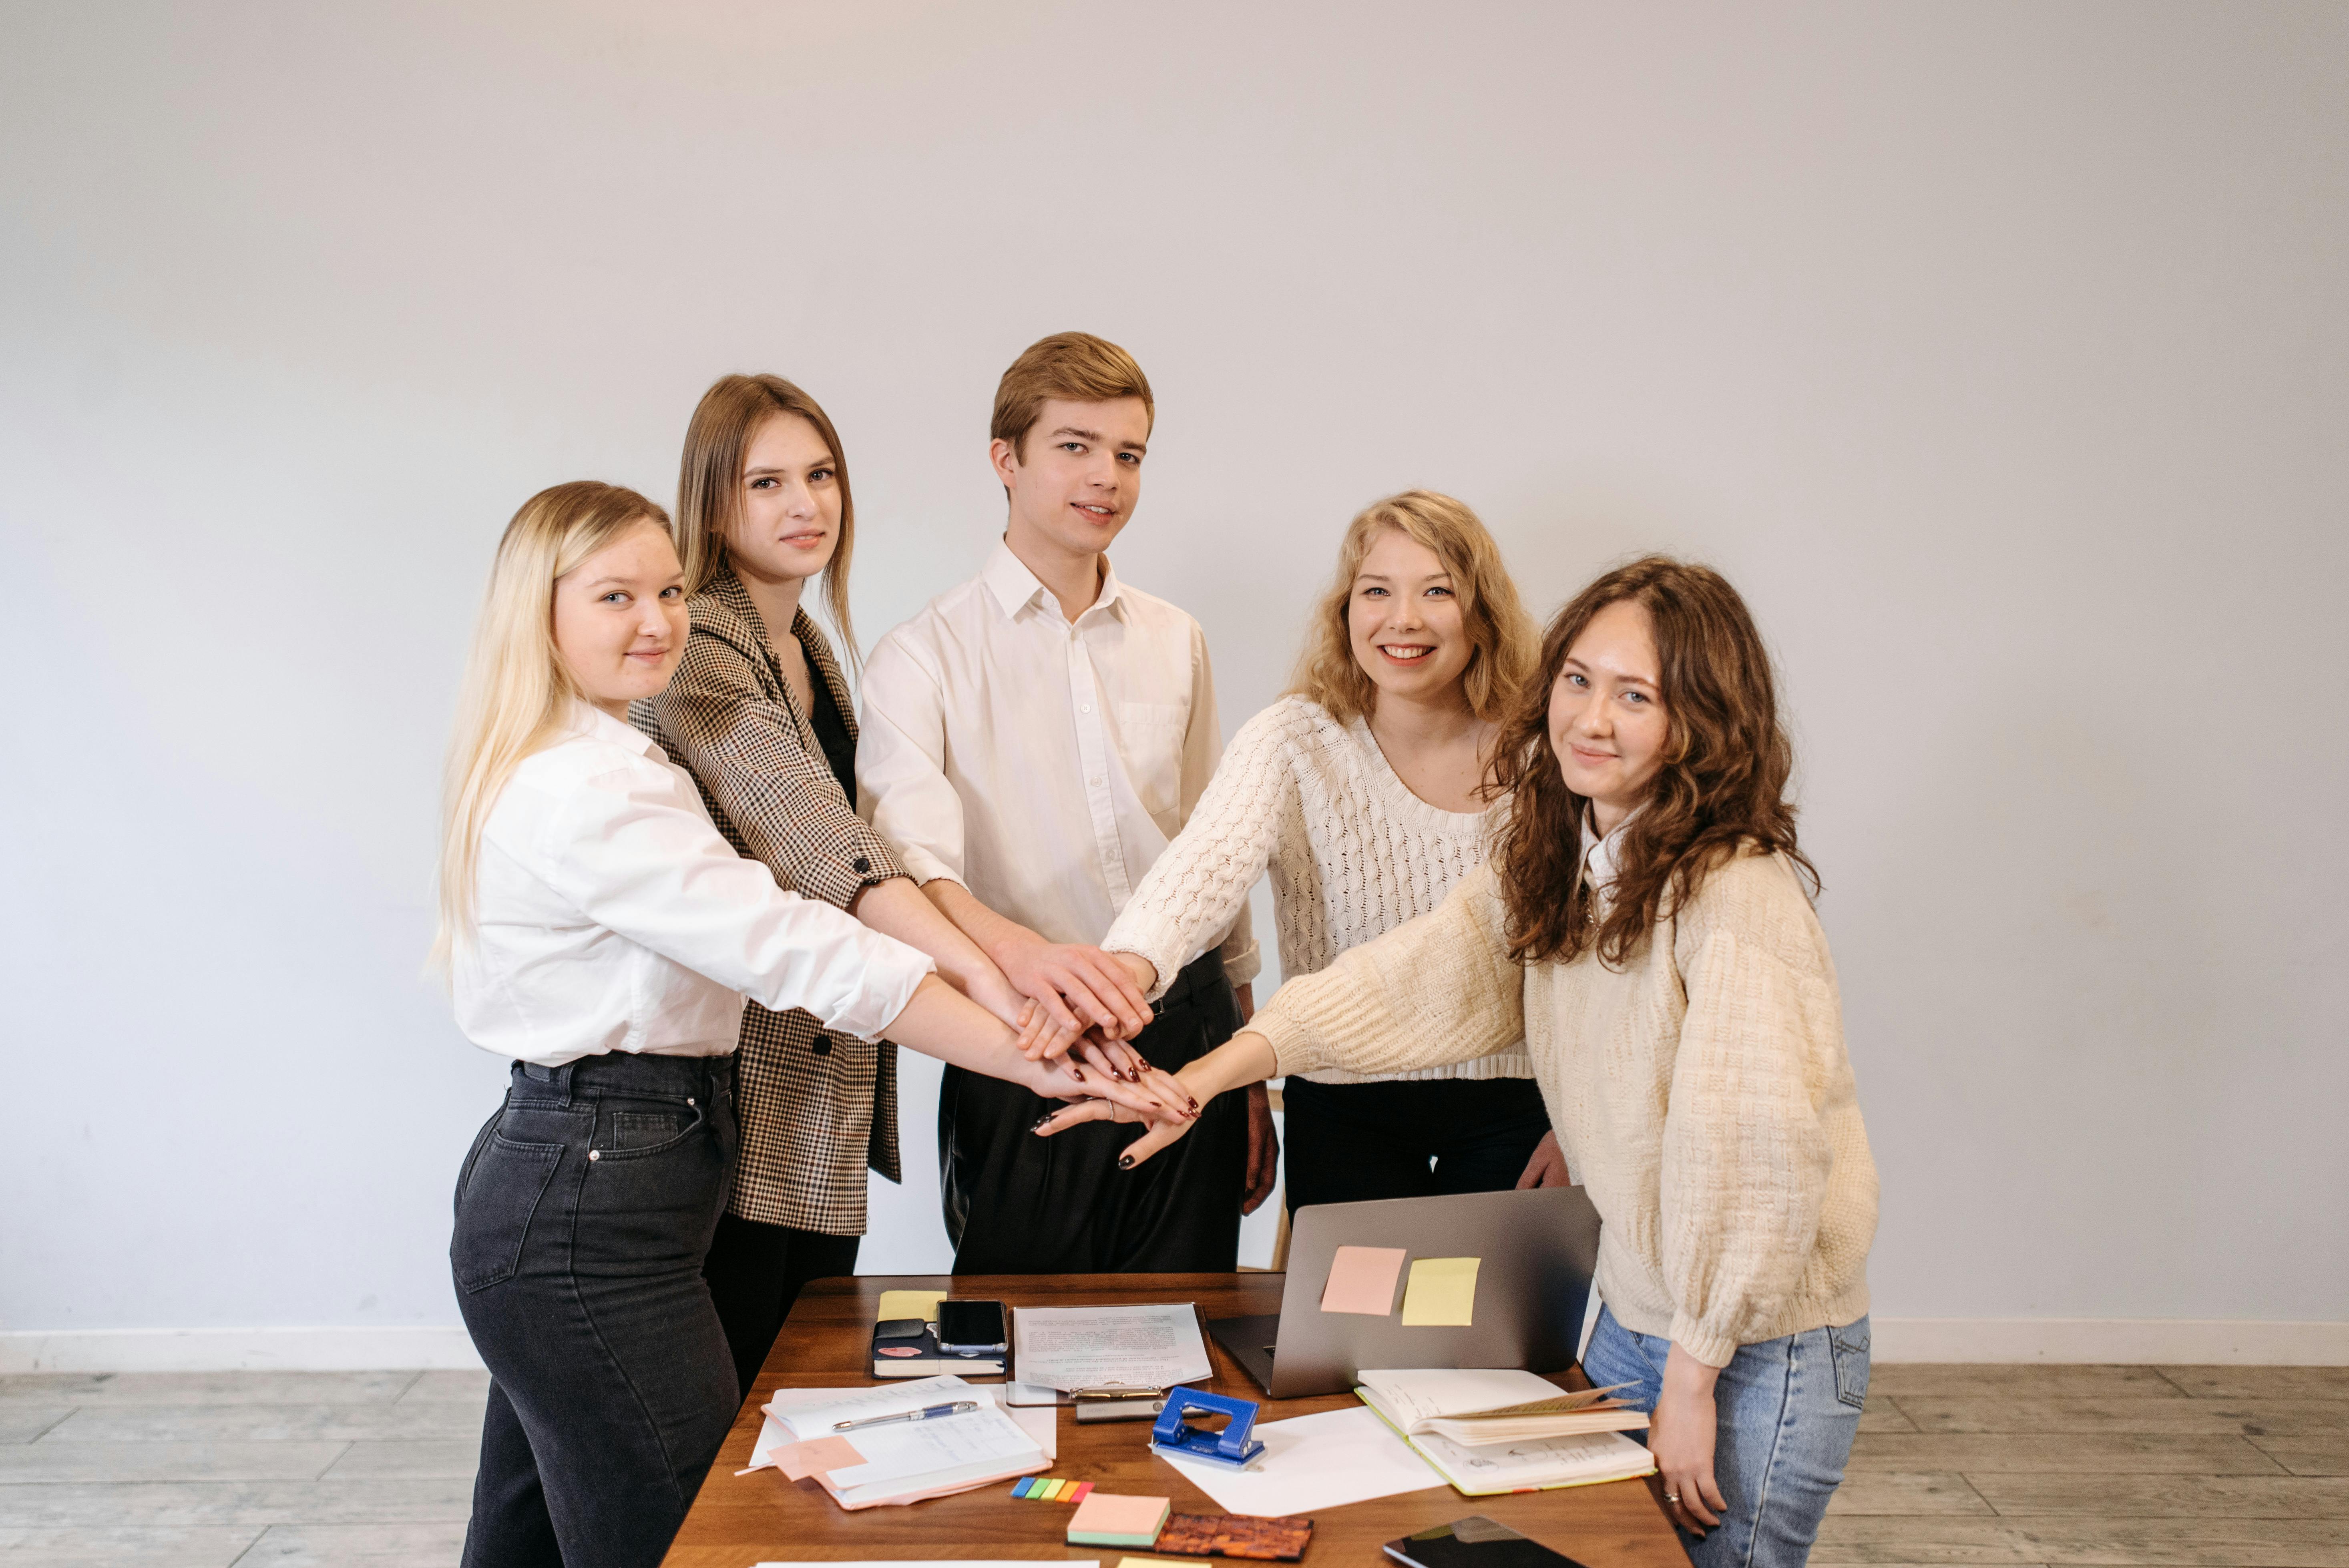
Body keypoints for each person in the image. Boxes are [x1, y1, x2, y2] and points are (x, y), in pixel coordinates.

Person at [1046, 556, 1879, 1568]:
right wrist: (1208, 1079)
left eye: (1635, 696)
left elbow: (1757, 1164)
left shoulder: (1735, 895)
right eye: (1577, 680)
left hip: (1758, 1346)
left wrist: (1695, 1380)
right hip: (1641, 1315)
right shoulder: (1569, 864)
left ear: (1701, 721)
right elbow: (1406, 981)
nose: (1591, 719)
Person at [438, 481, 1183, 1568]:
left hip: (579, 1176)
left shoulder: (604, 755)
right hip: (590, 1201)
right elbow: (795, 945)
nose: (656, 621)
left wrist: (1010, 1013)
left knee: (528, 1539)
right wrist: (1030, 1046)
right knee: (693, 1538)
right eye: (614, 596)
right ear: (537, 611)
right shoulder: (587, 786)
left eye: (668, 590)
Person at [635, 374, 1089, 1398]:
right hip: (740, 1091)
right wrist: (994, 988)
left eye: (822, 474)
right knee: (739, 1389)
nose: (806, 505)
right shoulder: (699, 651)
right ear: (713, 502)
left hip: (819, 1073)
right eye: (767, 483)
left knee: (788, 1377)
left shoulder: (808, 648)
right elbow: (826, 848)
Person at [856, 330, 1277, 1274]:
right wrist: (1032, 981)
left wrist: (1245, 1067)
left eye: (1128, 454)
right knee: (1019, 1347)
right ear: (1006, 459)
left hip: (1186, 1025)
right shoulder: (920, 658)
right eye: (1075, 447)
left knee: (1189, 1337)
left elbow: (1220, 849)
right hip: (1023, 1038)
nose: (1107, 479)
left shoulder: (1179, 640)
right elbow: (913, 874)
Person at [1099, 490, 1556, 1211]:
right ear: (1345, 611)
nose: (1402, 618)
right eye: (1377, 590)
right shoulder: (1294, 740)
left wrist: (1575, 1123)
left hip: (1517, 1104)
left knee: (1487, 1324)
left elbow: (1595, 957)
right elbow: (1203, 866)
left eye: (1437, 591)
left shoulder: (1548, 753)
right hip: (1343, 1098)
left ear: (1482, 612)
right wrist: (1125, 971)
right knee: (1355, 1321)